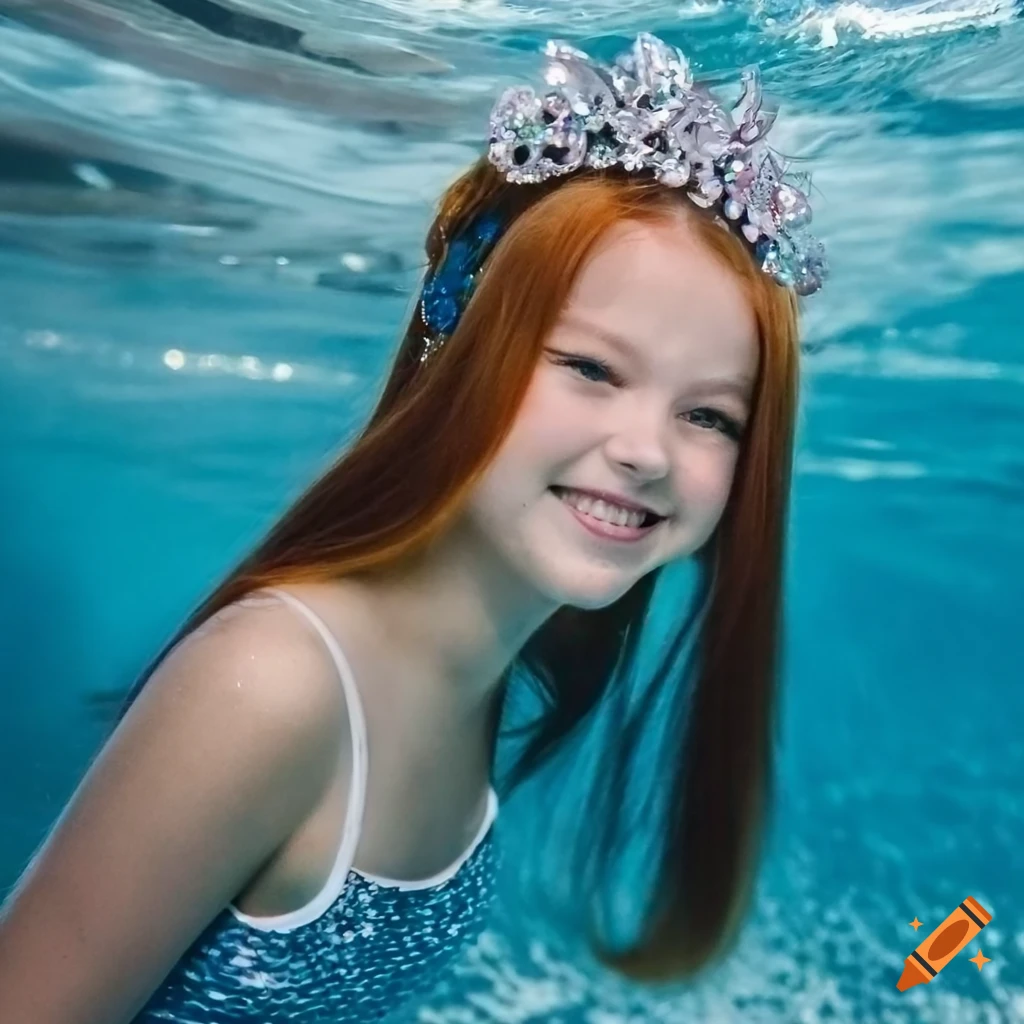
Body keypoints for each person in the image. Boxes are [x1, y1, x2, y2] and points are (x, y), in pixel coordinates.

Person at [0, 31, 827, 1024]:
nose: (647, 449)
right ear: (458, 346)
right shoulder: (273, 685)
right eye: (592, 368)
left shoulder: (497, 653)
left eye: (709, 416)